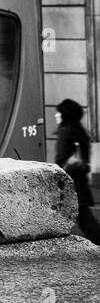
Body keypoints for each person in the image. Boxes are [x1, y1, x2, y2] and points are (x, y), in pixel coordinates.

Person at [53, 98, 100, 245]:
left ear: (65, 114)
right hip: (79, 180)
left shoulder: (65, 132)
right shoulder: (80, 131)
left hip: (67, 182)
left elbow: (60, 158)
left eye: (59, 113)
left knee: (82, 217)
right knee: (81, 215)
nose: (56, 115)